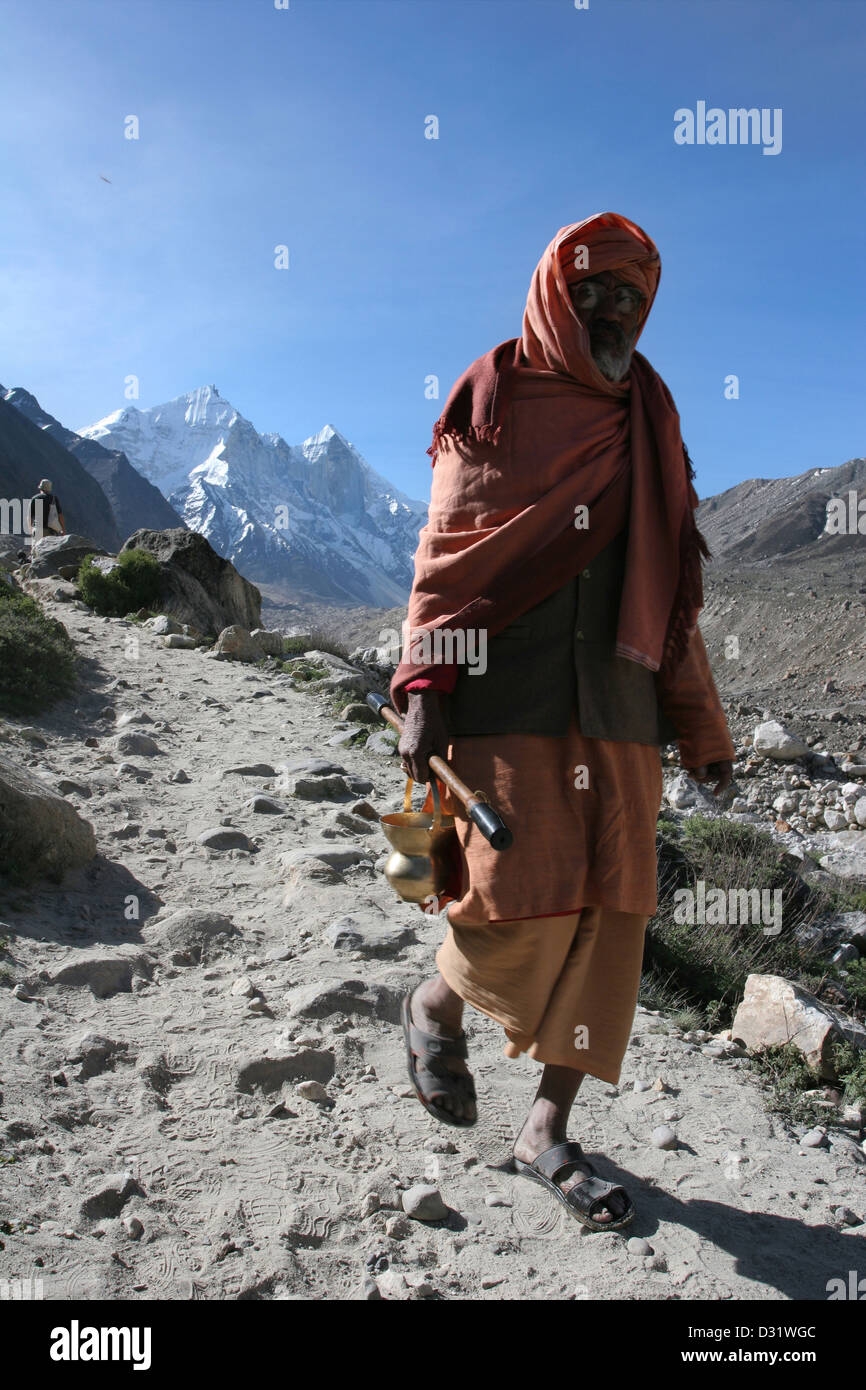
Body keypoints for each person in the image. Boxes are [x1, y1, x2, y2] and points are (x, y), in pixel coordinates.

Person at [389, 212, 735, 1232]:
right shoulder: (493, 403)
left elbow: (670, 593)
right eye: (593, 290)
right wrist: (421, 689)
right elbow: (445, 570)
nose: (612, 308)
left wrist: (701, 732)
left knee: (611, 926)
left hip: (620, 718)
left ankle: (546, 1127)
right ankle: (431, 1006)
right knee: (509, 912)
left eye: (629, 294)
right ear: (553, 291)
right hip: (504, 705)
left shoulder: (649, 416)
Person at [27, 478, 66, 557]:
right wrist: (63, 530)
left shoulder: (35, 498)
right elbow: (60, 516)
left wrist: (31, 531)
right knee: (49, 553)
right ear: (49, 489)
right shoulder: (53, 499)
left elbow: (30, 517)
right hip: (50, 530)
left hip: (37, 528)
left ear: (40, 488)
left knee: (35, 553)